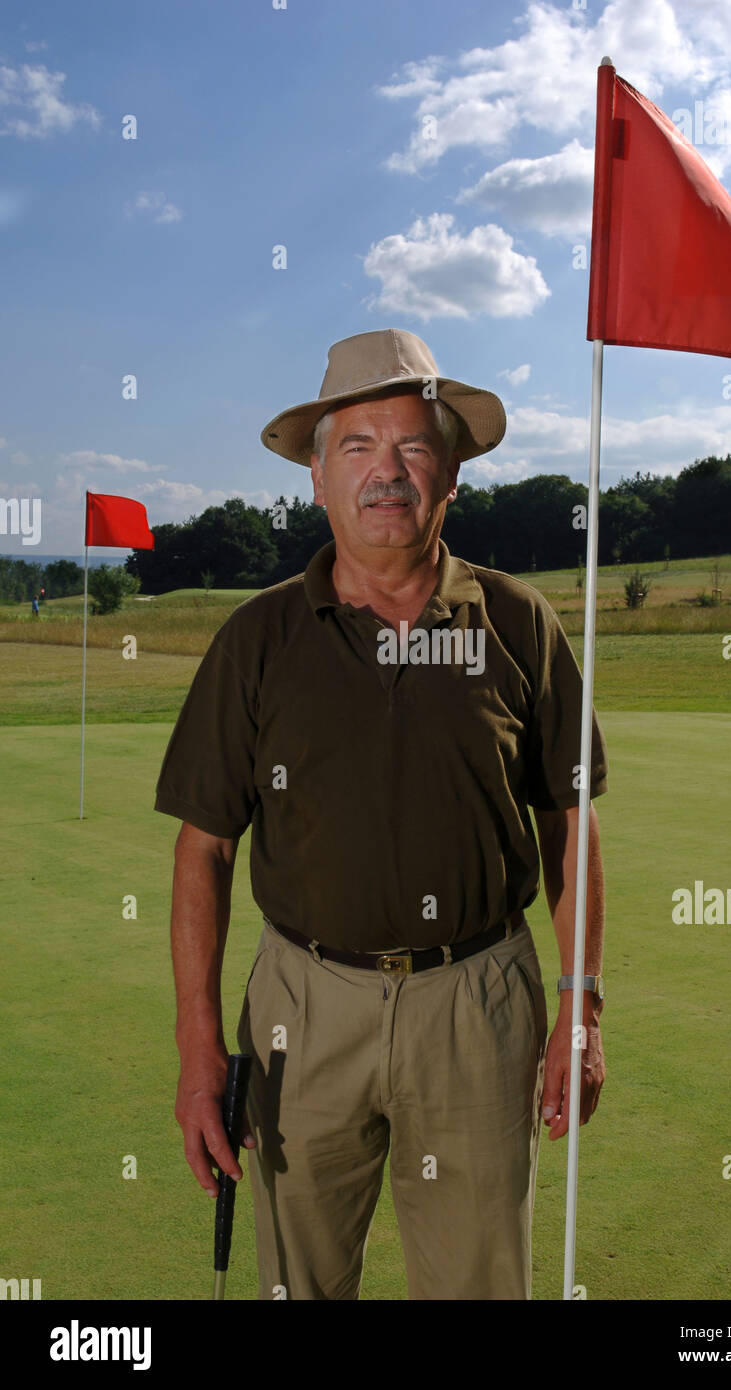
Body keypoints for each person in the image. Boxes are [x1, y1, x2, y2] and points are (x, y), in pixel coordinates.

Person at [154, 328, 609, 1300]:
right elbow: (203, 849)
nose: (385, 472)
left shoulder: (521, 623)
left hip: (478, 1005)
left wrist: (580, 1005)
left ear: (450, 476)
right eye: (356, 447)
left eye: (411, 447)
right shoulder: (256, 639)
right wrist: (199, 1043)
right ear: (317, 480)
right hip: (300, 1008)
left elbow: (568, 825)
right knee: (301, 1284)